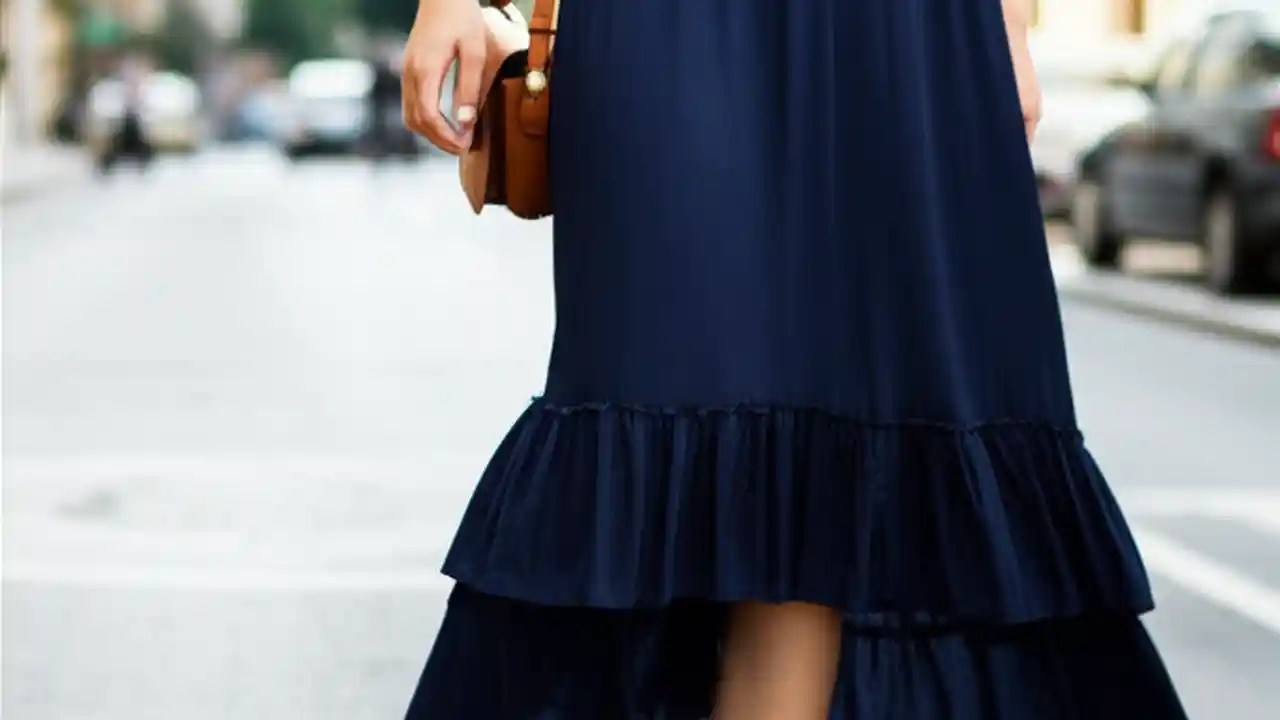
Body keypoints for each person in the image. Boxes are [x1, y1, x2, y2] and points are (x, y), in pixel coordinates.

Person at [398, 0, 1189, 717]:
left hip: (907, 33)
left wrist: (1011, 20)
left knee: (820, 480)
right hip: (671, 31)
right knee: (674, 387)